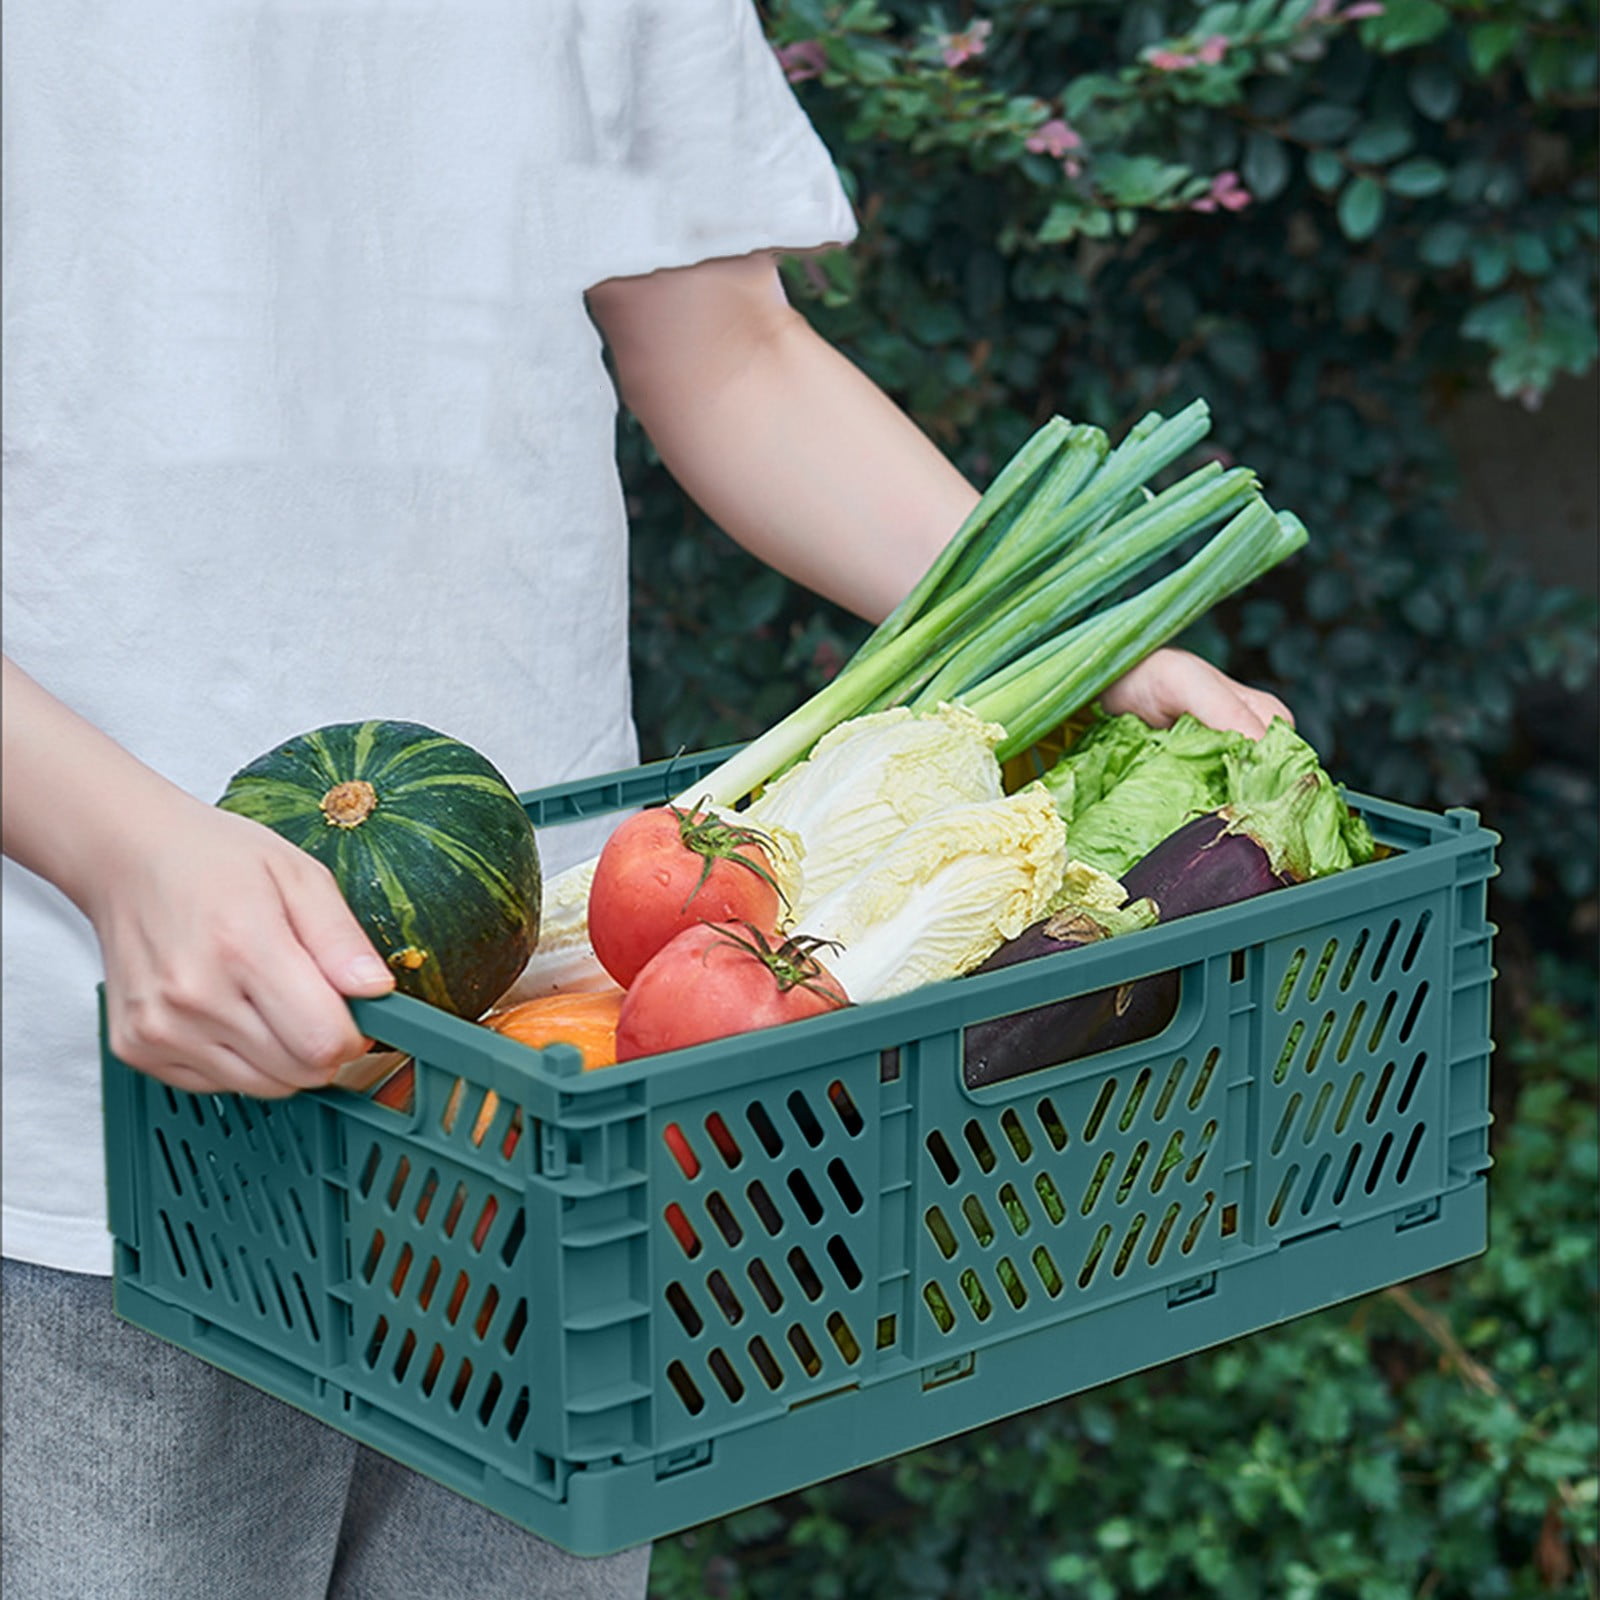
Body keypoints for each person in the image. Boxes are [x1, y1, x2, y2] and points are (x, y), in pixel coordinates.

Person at [0, 3, 1292, 1596]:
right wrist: (112, 845)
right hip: (96, 1110)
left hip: (577, 1084)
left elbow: (727, 346)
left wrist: (1066, 646)